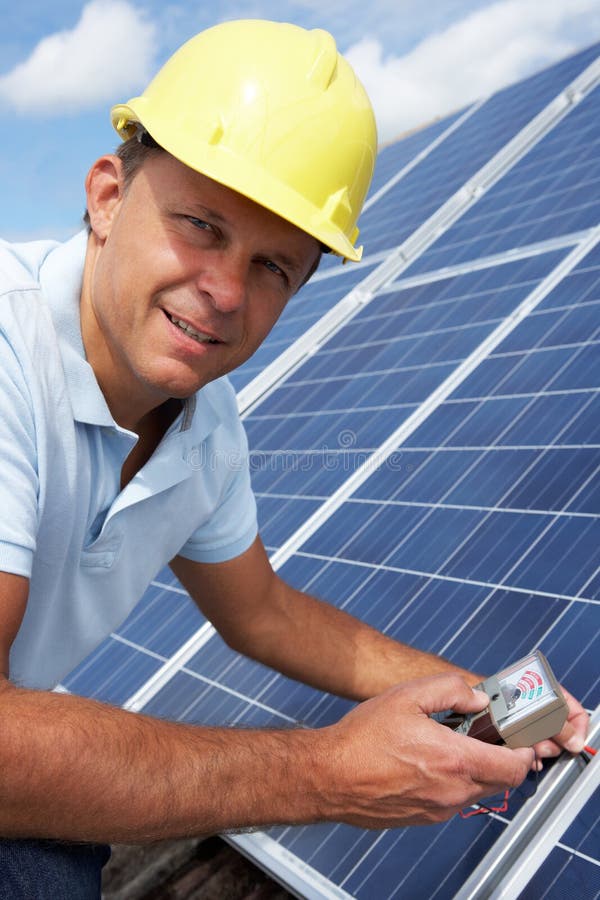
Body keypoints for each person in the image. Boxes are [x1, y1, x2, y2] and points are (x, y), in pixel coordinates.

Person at [0, 18, 588, 899]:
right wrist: (325, 772)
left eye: (274, 266)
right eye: (199, 224)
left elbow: (263, 612)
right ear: (108, 195)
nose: (227, 291)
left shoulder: (206, 426)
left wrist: (486, 697)